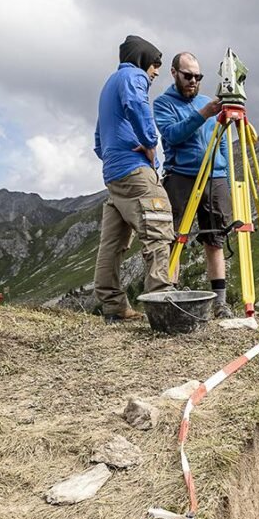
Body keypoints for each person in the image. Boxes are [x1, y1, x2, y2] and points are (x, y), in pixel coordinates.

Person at [93, 35, 176, 323]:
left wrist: (113, 159)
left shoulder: (108, 85)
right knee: (158, 230)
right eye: (155, 64)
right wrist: (151, 142)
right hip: (136, 172)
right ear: (143, 58)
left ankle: (113, 307)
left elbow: (97, 141)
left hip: (114, 174)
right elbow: (136, 106)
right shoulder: (133, 76)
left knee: (112, 243)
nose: (155, 72)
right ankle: (161, 303)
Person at [153, 52, 235, 319]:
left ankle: (220, 304)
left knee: (215, 239)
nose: (193, 81)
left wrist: (222, 166)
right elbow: (173, 135)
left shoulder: (206, 103)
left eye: (197, 77)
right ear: (174, 73)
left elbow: (220, 138)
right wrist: (202, 114)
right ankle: (171, 298)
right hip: (181, 176)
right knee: (175, 239)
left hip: (215, 177)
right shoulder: (163, 104)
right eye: (188, 76)